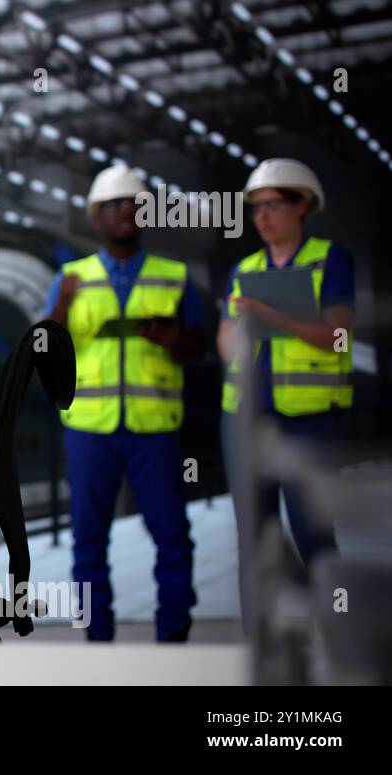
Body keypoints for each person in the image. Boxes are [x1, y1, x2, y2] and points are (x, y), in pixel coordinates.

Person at [44, 165, 204, 642]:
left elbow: (198, 347)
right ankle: (99, 640)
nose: (125, 213)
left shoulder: (174, 277)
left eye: (133, 204)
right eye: (114, 206)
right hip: (90, 427)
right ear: (96, 218)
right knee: (89, 541)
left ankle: (173, 639)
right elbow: (47, 345)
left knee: (172, 537)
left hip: (153, 427)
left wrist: (174, 338)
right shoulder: (72, 278)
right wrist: (62, 306)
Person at [218, 158, 352, 581]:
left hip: (310, 420)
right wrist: (241, 327)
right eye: (256, 207)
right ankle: (260, 641)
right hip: (247, 418)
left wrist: (273, 317)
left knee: (314, 534)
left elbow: (339, 338)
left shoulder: (329, 261)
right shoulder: (244, 271)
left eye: (274, 205)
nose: (263, 216)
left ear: (302, 206)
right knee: (254, 540)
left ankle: (332, 636)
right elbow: (224, 345)